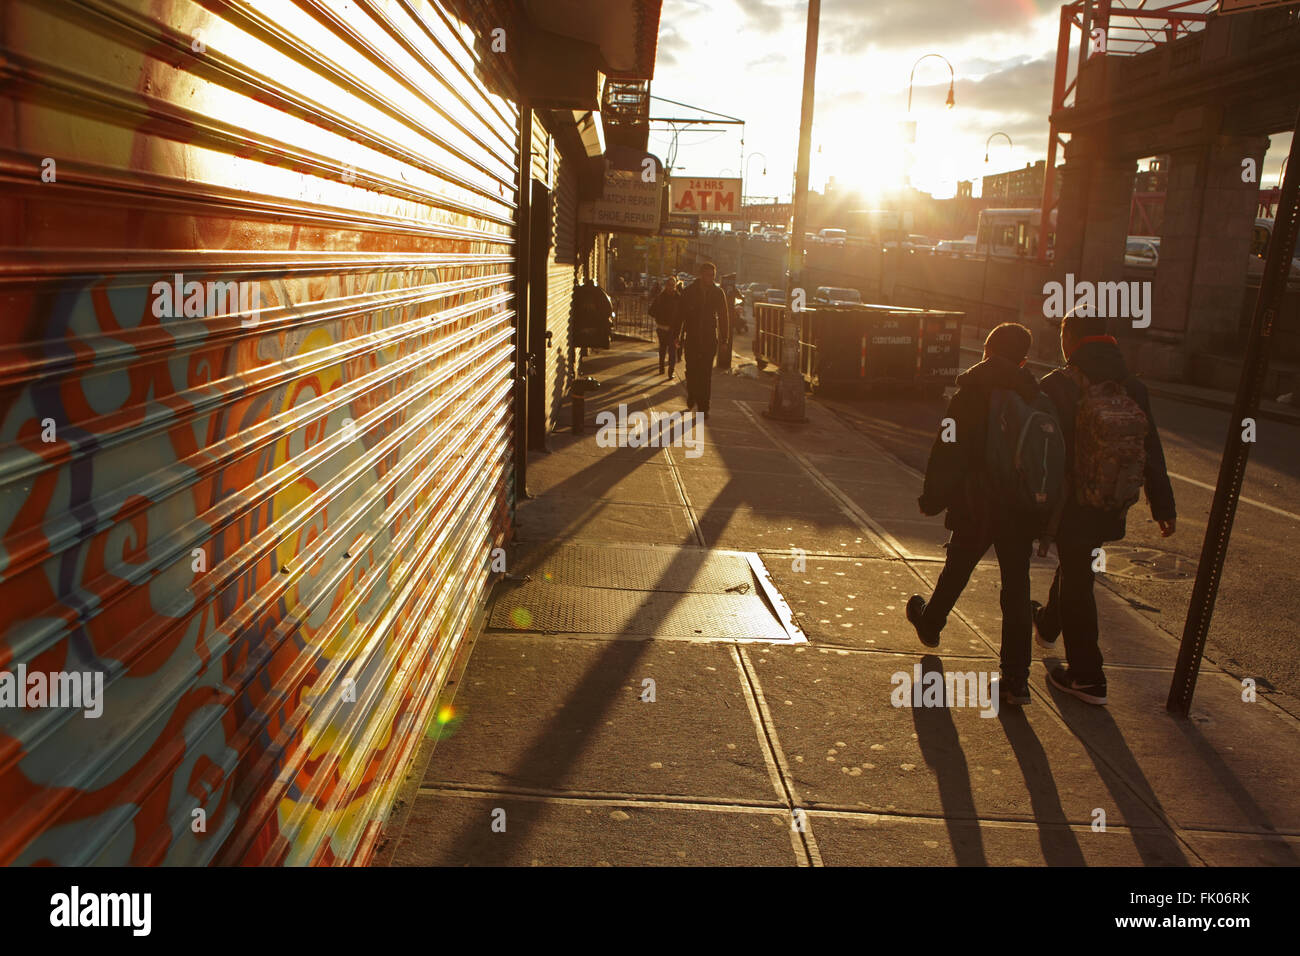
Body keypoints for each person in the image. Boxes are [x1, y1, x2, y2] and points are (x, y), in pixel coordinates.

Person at [1034, 313, 1176, 706]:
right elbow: (1152, 447)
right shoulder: (1133, 387)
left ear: (1071, 338)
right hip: (1112, 501)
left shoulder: (1058, 385)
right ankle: (1047, 623)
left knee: (1079, 579)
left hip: (1071, 502)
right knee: (1077, 564)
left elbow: (1045, 452)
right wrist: (1163, 505)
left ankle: (1087, 677)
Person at [906, 322, 1045, 706]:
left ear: (986, 351)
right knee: (1017, 588)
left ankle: (931, 623)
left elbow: (946, 449)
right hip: (1018, 506)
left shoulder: (967, 395)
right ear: (1023, 359)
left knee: (959, 567)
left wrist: (934, 497)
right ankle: (1016, 679)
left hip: (975, 503)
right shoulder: (1034, 395)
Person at [677, 261, 729, 418]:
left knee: (706, 374)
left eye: (713, 275)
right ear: (701, 275)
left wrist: (724, 340)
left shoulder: (718, 293)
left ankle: (704, 407)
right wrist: (676, 336)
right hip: (692, 338)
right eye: (708, 275)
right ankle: (692, 394)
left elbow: (723, 317)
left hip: (708, 339)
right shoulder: (689, 292)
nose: (710, 278)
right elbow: (680, 316)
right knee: (692, 371)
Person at [649, 280, 683, 377]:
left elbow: (681, 314)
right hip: (665, 328)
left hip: (671, 328)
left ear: (675, 286)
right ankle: (664, 370)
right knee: (666, 350)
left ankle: (667, 371)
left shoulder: (676, 298)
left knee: (669, 350)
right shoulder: (663, 297)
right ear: (666, 285)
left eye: (673, 285)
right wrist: (660, 318)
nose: (671, 287)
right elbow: (651, 311)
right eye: (669, 285)